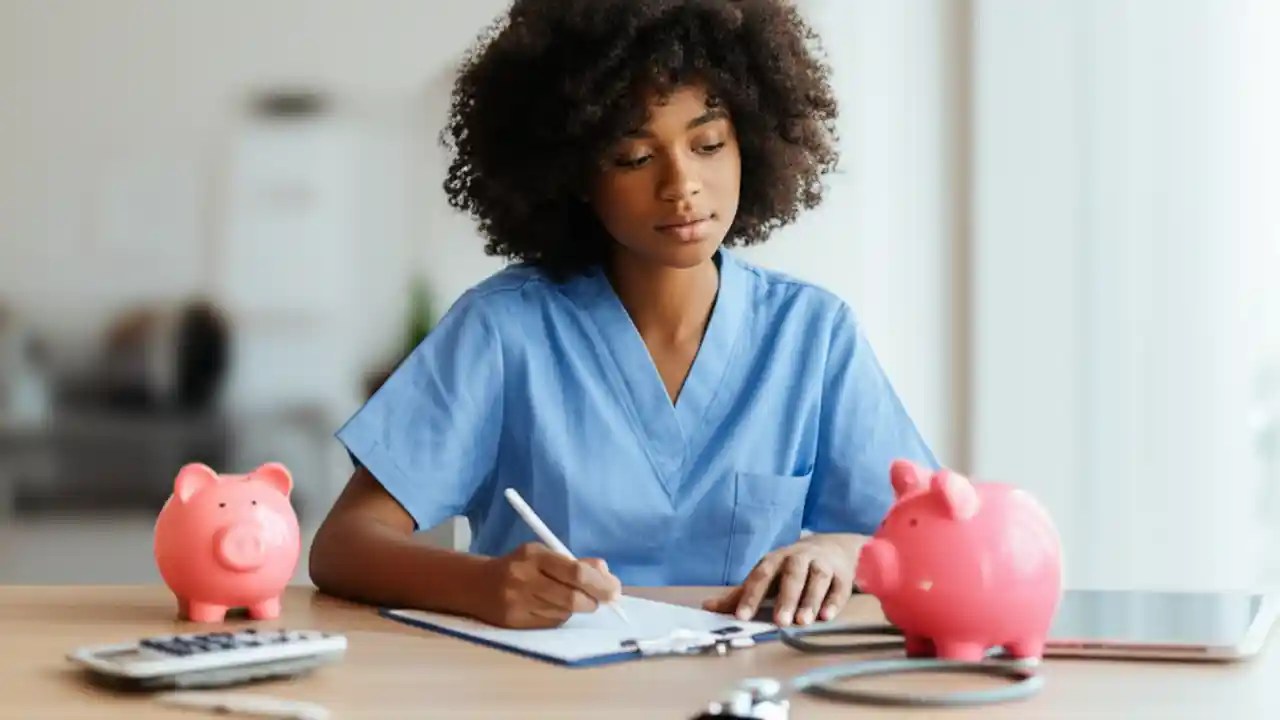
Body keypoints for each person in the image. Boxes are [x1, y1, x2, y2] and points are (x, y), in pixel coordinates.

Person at [309, 0, 938, 631]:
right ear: (576, 172)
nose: (681, 184)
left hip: (739, 685)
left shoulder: (812, 335)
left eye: (709, 143)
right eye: (635, 157)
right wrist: (482, 584)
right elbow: (344, 544)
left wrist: (840, 550)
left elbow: (927, 541)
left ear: (751, 137)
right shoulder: (502, 331)